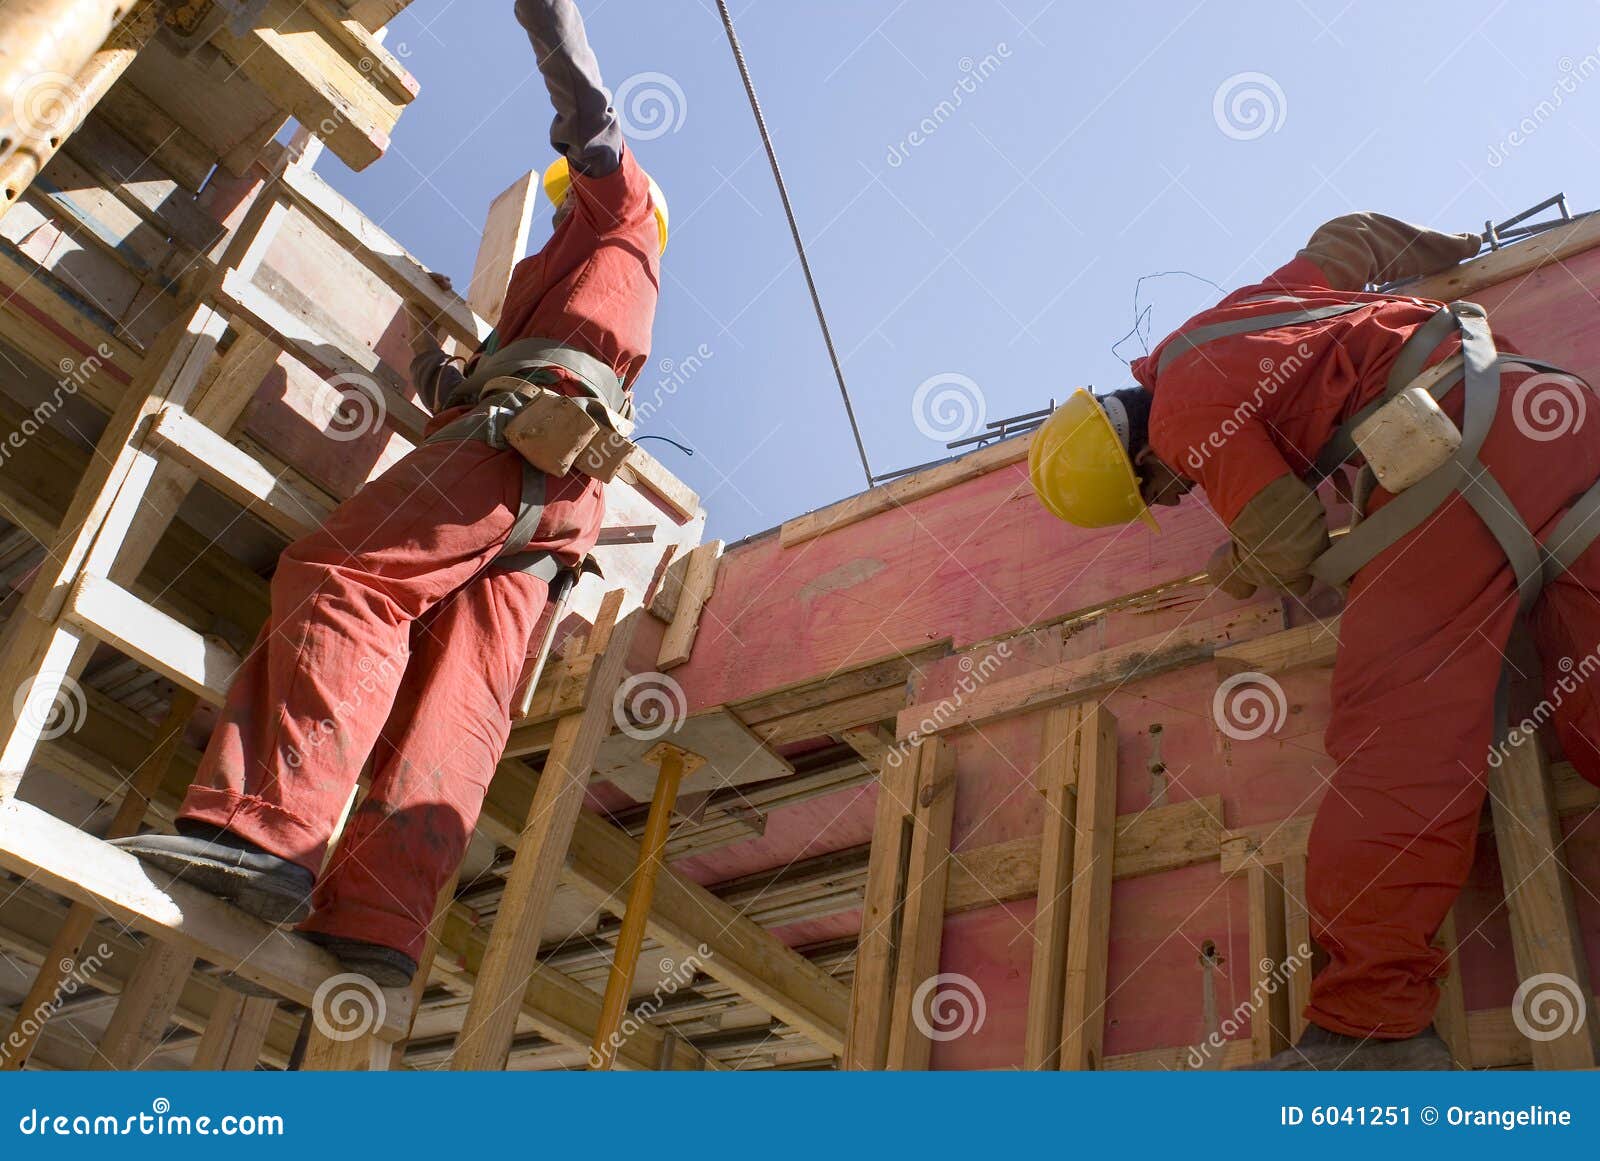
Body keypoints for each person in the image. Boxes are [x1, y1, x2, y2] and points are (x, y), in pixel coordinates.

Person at [114, 0, 668, 988]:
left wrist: (546, 16)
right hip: (556, 499)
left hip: (520, 442)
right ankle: (376, 920)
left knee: (346, 577)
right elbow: (476, 388)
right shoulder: (571, 285)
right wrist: (434, 365)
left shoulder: (623, 216)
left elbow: (590, 112)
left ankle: (265, 835)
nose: (562, 201)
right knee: (462, 703)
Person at [1028, 212, 1600, 1069]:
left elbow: (1291, 539)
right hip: (1553, 413)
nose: (1180, 496)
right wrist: (1451, 250)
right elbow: (1354, 239)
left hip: (1459, 459)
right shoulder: (1254, 306)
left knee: (1395, 744)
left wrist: (1243, 561)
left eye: (1165, 491)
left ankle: (1374, 1027)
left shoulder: (1185, 414)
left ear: (1141, 461)